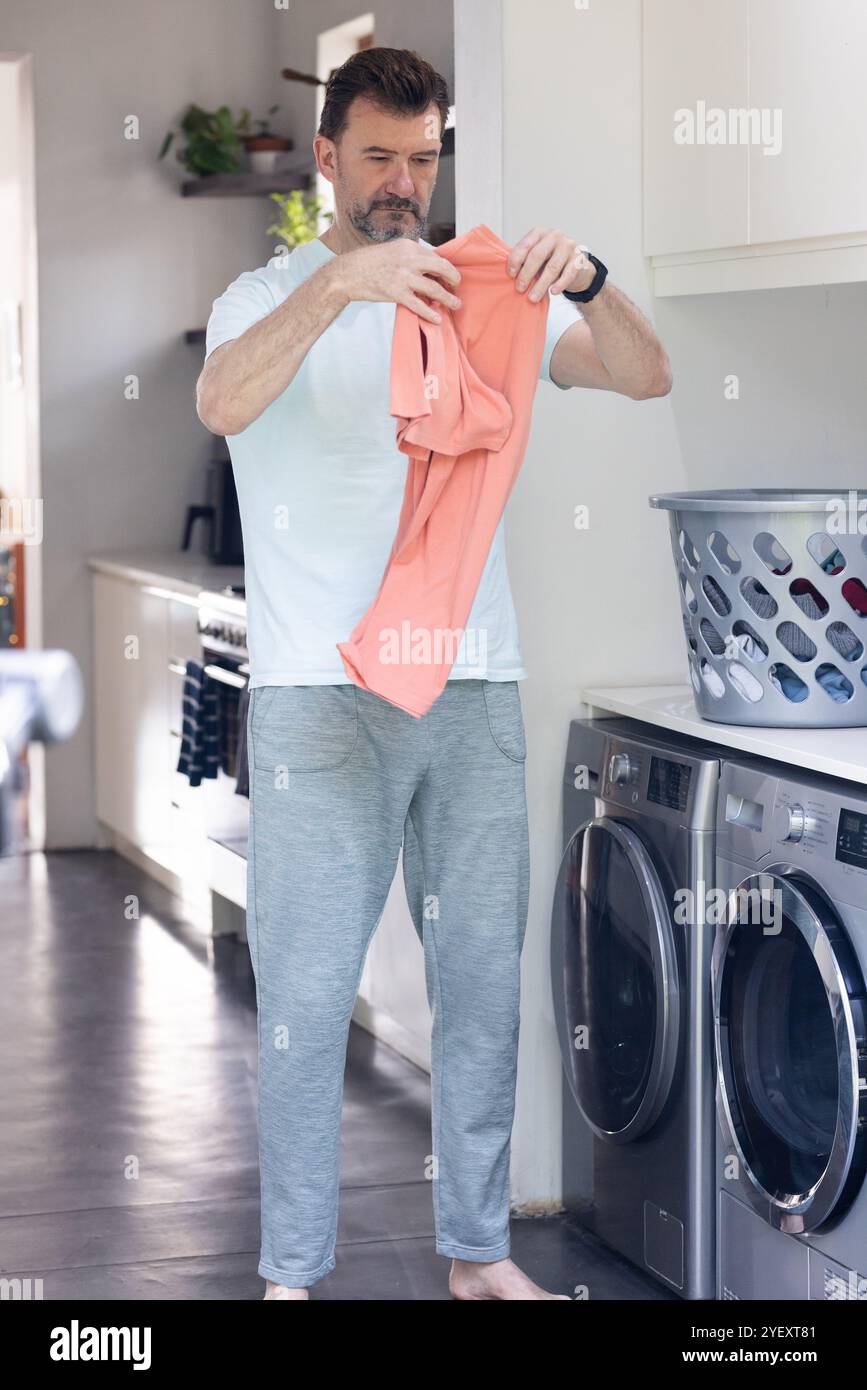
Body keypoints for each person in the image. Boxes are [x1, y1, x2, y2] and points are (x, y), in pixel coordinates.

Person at [196, 46, 671, 1302]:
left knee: (480, 990)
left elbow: (644, 371)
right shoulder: (267, 294)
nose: (406, 183)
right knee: (301, 1001)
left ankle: (476, 1253)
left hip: (472, 688)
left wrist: (596, 281)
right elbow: (220, 401)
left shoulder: (487, 292)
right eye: (380, 160)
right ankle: (292, 1273)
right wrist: (341, 288)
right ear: (328, 160)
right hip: (318, 699)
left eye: (423, 158)